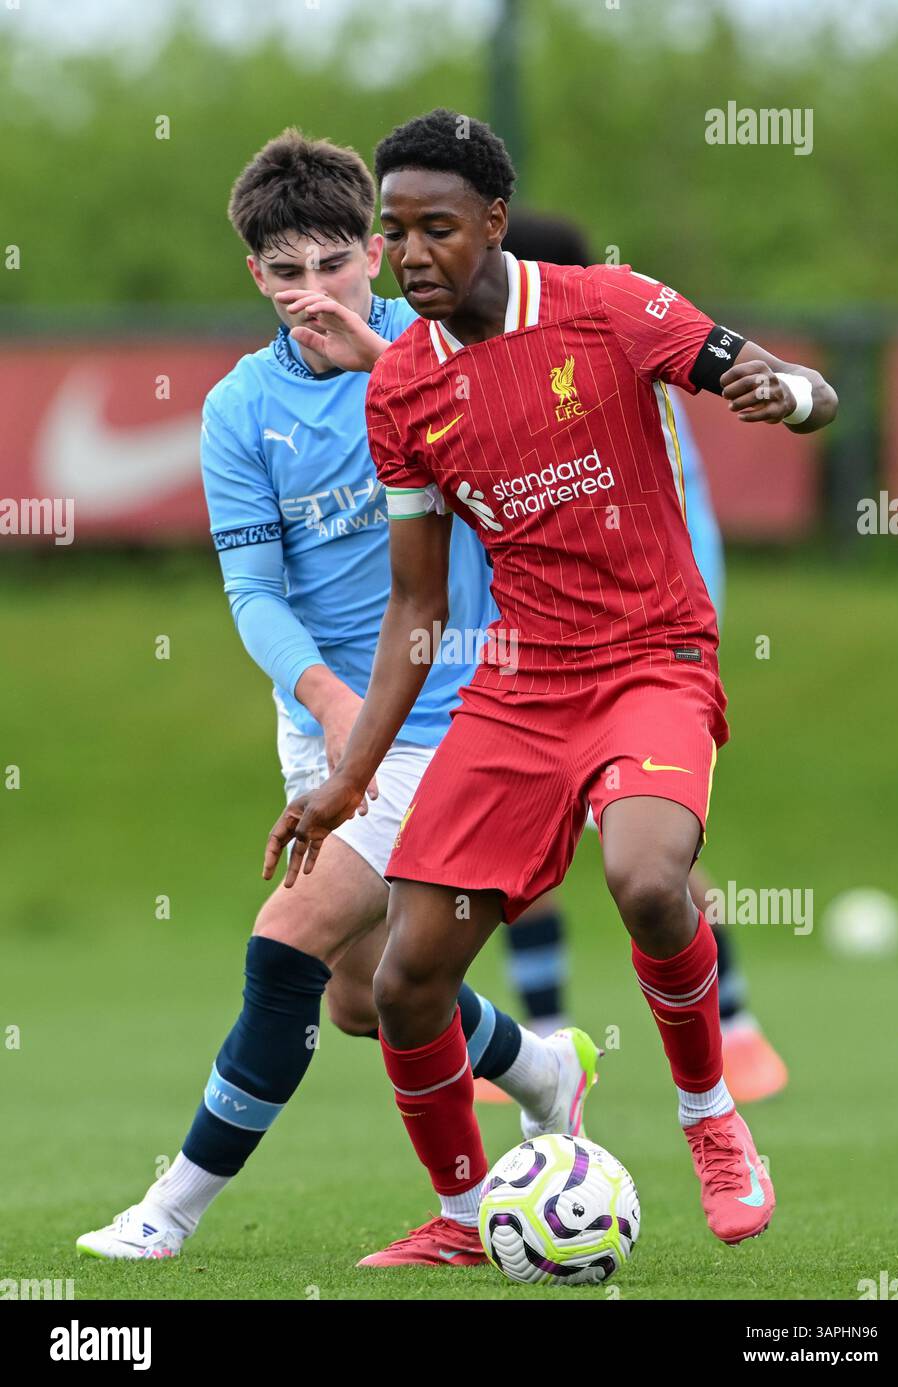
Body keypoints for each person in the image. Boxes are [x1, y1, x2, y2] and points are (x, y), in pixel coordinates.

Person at [268, 109, 838, 1253]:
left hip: (651, 658)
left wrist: (794, 396)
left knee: (646, 879)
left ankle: (709, 1114)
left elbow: (793, 382)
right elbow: (416, 608)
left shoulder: (610, 306)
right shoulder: (401, 389)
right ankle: (461, 1214)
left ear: (494, 221)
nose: (412, 253)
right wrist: (350, 779)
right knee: (403, 982)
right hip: (520, 686)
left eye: (437, 228)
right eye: (396, 231)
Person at [75, 129, 598, 1266]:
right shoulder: (238, 408)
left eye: (331, 263)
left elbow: (526, 461)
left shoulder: (448, 350)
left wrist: (386, 367)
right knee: (363, 998)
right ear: (254, 275)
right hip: (327, 717)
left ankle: (170, 1212)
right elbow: (254, 590)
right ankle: (542, 1068)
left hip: (452, 710)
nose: (311, 290)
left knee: (286, 944)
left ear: (371, 252)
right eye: (284, 271)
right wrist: (323, 700)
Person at [486, 210, 787, 1109]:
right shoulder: (496, 390)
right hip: (529, 656)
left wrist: (685, 654)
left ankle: (736, 1031)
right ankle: (545, 1037)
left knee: (657, 856)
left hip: (648, 655)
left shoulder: (626, 379)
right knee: (516, 851)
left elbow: (687, 528)